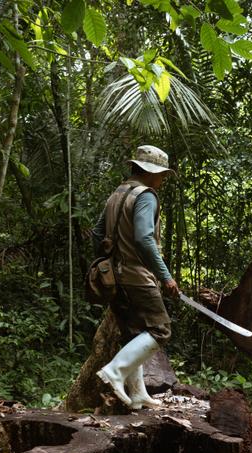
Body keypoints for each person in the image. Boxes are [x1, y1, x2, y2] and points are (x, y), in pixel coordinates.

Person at [90, 144, 180, 410]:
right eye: (161, 174)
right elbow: (144, 238)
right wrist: (165, 276)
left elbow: (97, 233)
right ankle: (115, 372)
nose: (162, 179)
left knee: (134, 333)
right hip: (137, 276)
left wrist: (108, 262)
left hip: (113, 277)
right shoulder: (146, 196)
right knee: (160, 329)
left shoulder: (117, 194)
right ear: (149, 172)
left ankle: (138, 394)